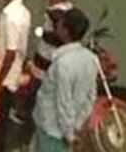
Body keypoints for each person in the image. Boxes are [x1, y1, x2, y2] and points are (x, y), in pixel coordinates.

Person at [32, 8, 99, 152]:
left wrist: (69, 134)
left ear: (66, 31)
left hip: (52, 129)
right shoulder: (91, 59)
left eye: (60, 24)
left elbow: (63, 102)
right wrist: (77, 124)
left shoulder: (63, 64)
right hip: (64, 127)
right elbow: (91, 96)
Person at [0, 0, 31, 152]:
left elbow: (10, 52)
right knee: (2, 123)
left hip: (5, 79)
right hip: (13, 76)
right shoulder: (24, 12)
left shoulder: (10, 15)